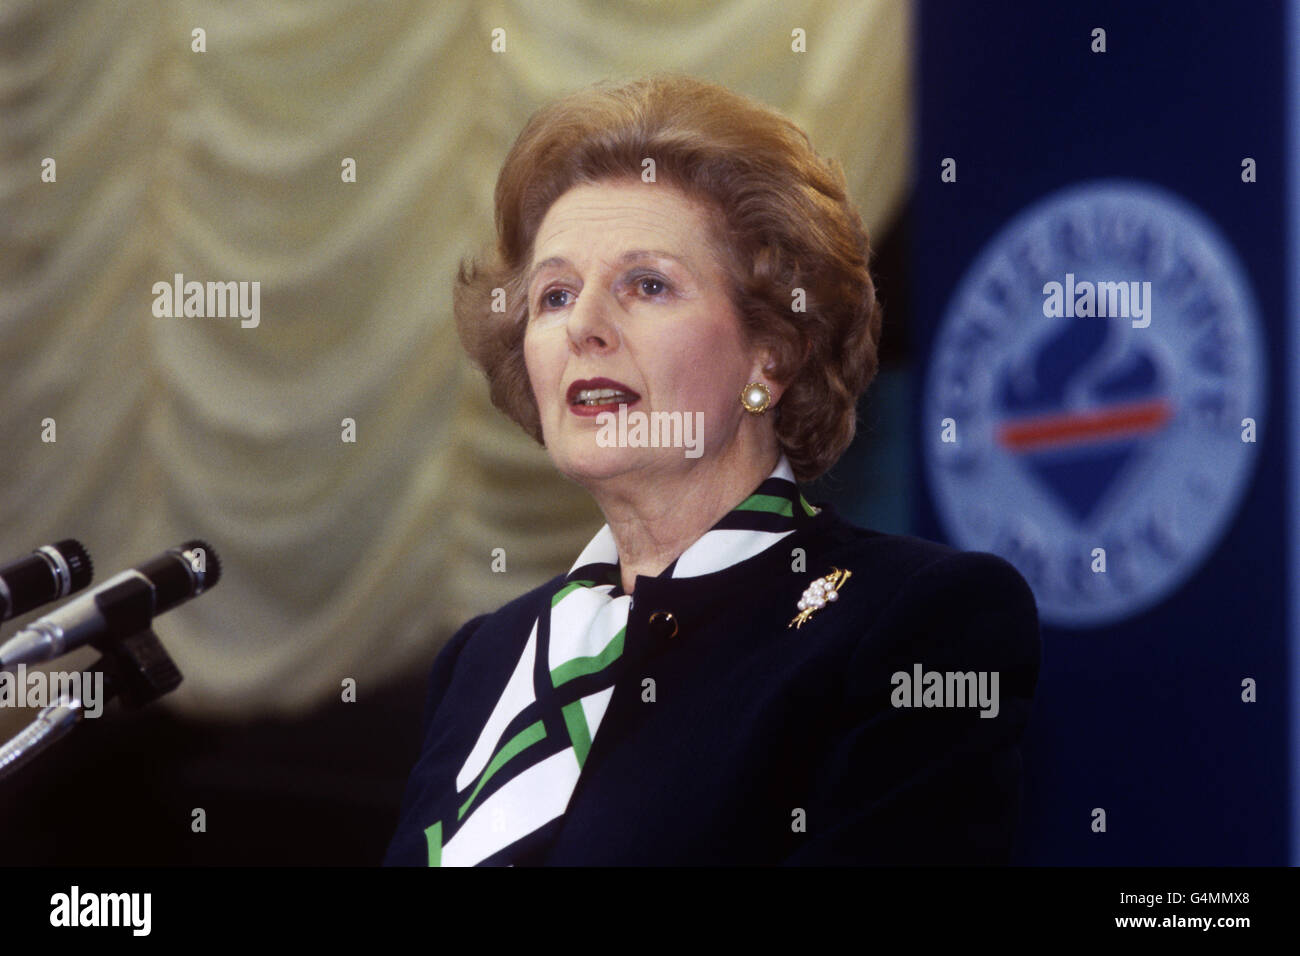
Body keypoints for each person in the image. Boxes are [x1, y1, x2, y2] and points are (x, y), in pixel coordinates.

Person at [384, 74, 1040, 866]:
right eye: (555, 294)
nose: (584, 326)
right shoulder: (485, 656)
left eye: (648, 284)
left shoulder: (912, 622)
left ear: (773, 351)